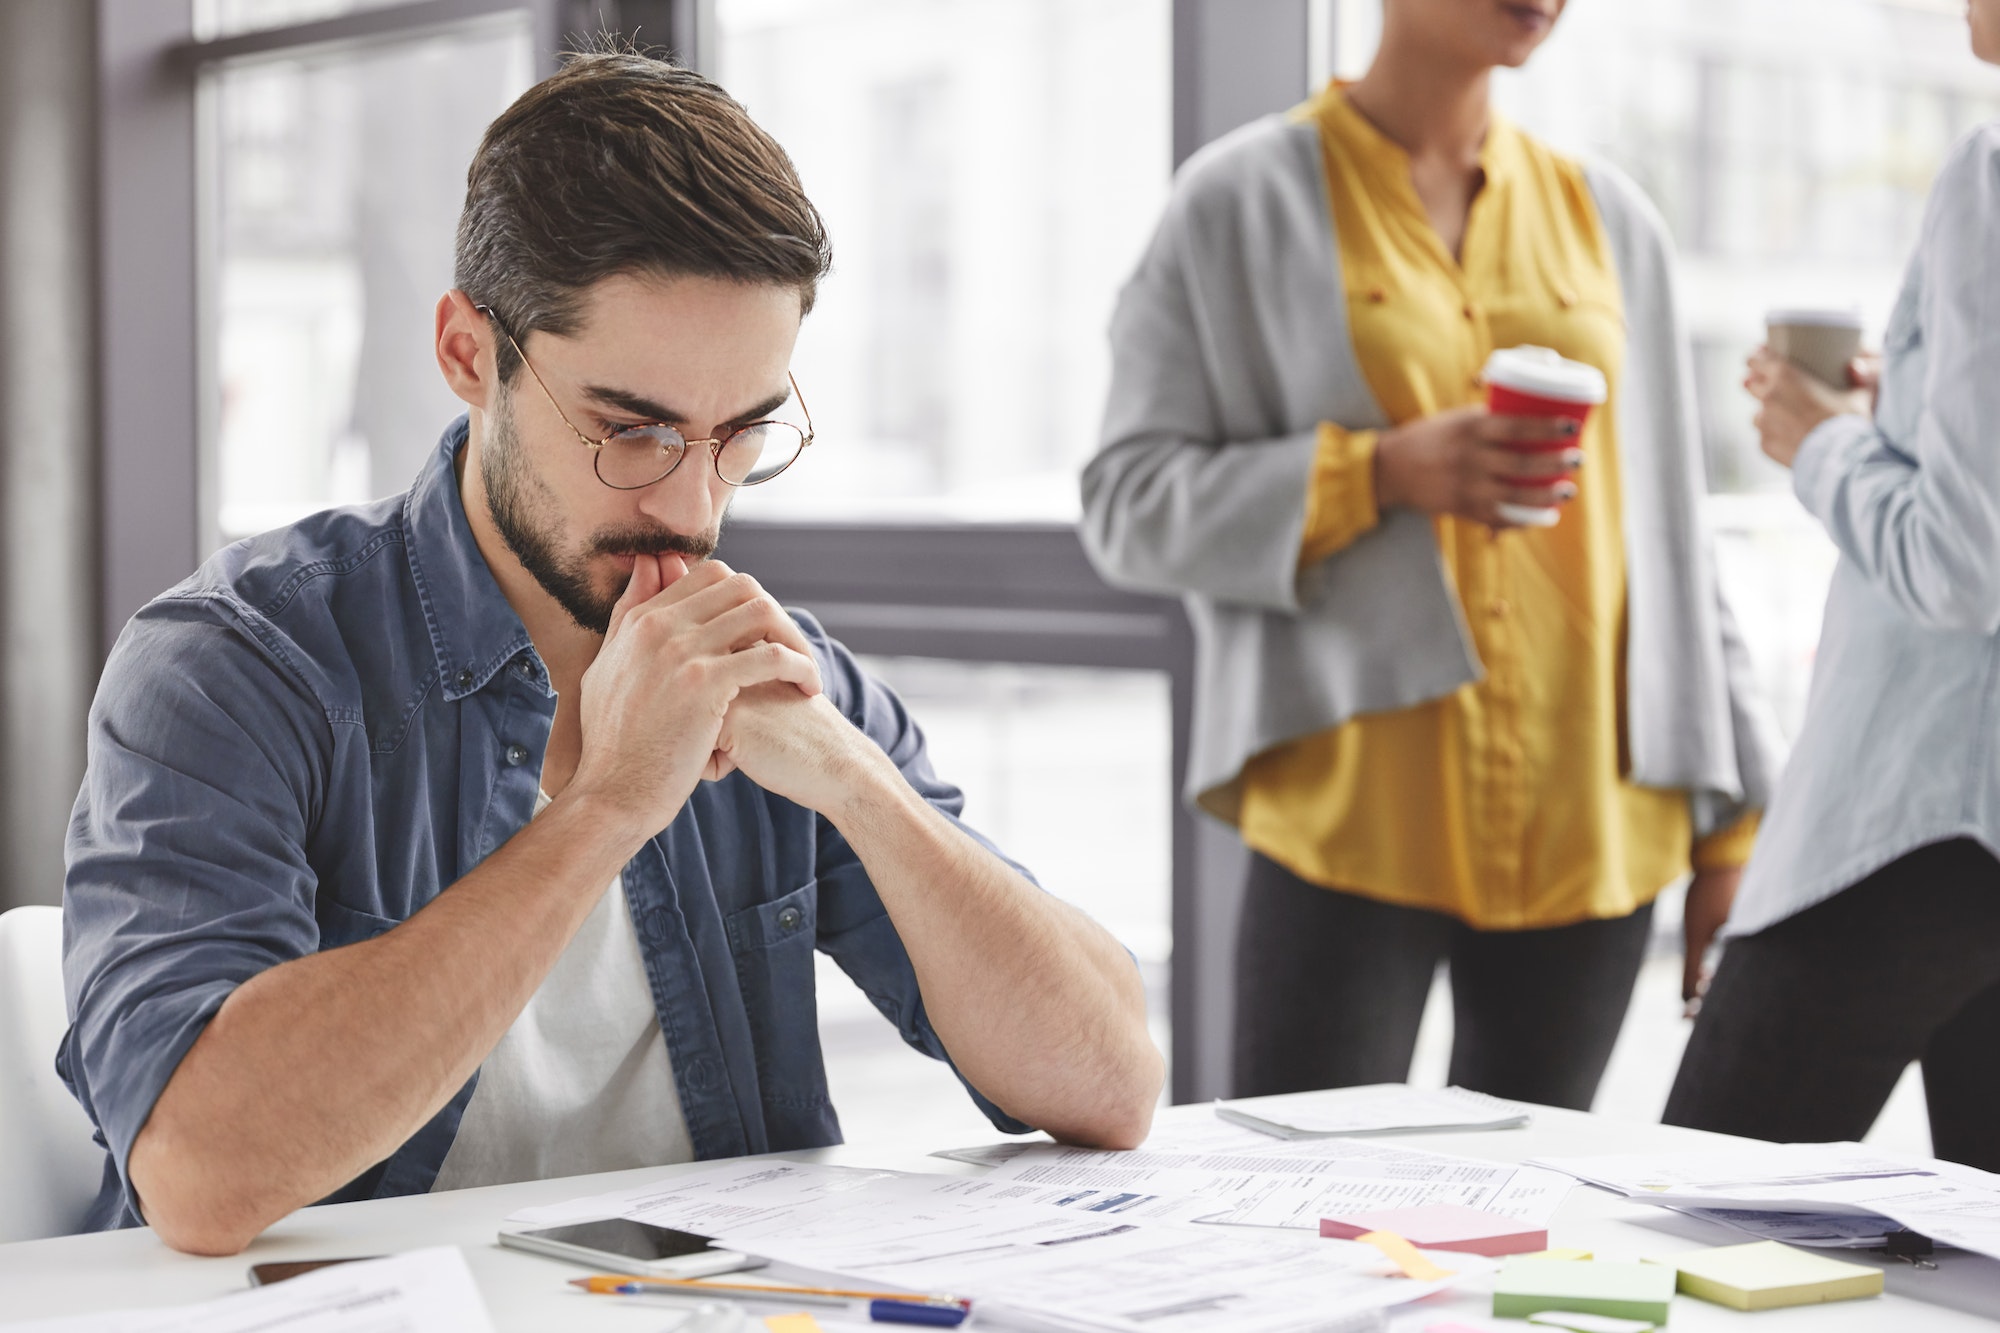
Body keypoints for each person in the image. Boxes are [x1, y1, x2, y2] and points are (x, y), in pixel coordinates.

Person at [58, 54, 1162, 1255]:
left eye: (740, 433)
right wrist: (612, 801)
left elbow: (1109, 1083)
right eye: (630, 429)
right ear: (468, 353)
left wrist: (855, 780)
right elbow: (202, 1173)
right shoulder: (237, 666)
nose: (692, 505)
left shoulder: (778, 676)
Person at [1080, 0, 1780, 1109]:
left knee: (1526, 1205)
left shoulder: (1612, 220)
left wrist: (1735, 831)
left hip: (1593, 825)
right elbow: (1126, 504)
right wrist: (1377, 473)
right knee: (1300, 1199)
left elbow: (1674, 546)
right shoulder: (1236, 203)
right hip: (1352, 819)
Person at [1664, 0, 2000, 1172]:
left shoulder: (1988, 171)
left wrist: (1819, 439)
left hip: (1917, 820)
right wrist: (1896, 417)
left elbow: (1960, 562)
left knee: (1689, 1219)